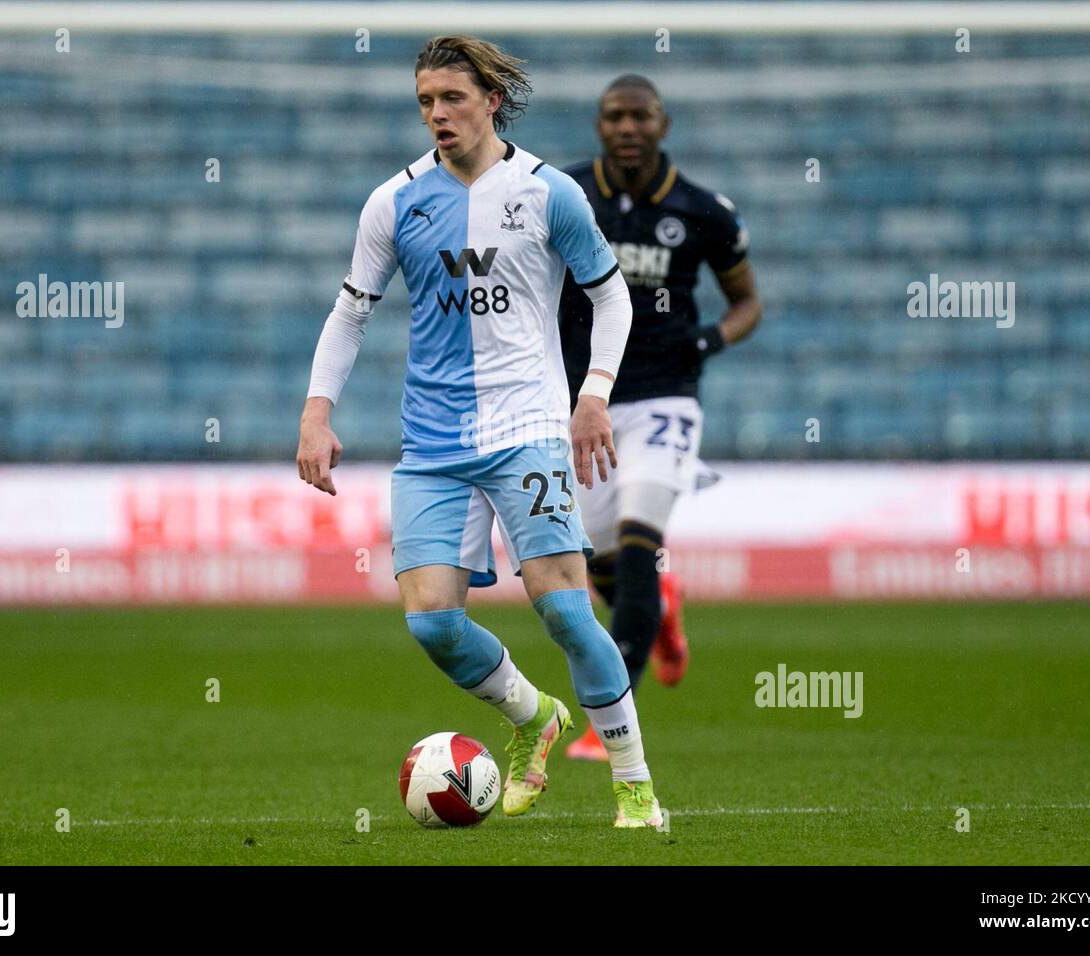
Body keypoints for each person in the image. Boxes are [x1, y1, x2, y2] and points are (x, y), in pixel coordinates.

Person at [297, 38, 664, 827]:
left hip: (527, 426)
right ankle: (536, 716)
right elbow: (350, 313)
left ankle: (634, 784)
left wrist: (593, 396)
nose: (437, 114)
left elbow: (613, 298)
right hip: (432, 444)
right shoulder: (392, 202)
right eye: (426, 101)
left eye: (452, 99)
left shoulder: (548, 193)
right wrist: (317, 412)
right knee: (431, 621)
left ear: (490, 100)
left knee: (565, 611)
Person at [558, 75, 762, 761]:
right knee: (600, 562)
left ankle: (610, 718)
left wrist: (707, 340)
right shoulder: (562, 196)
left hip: (665, 396)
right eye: (615, 116)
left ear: (662, 124)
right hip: (586, 402)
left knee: (640, 543)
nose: (627, 127)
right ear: (599, 125)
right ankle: (663, 616)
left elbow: (746, 304)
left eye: (639, 116)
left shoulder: (702, 211)